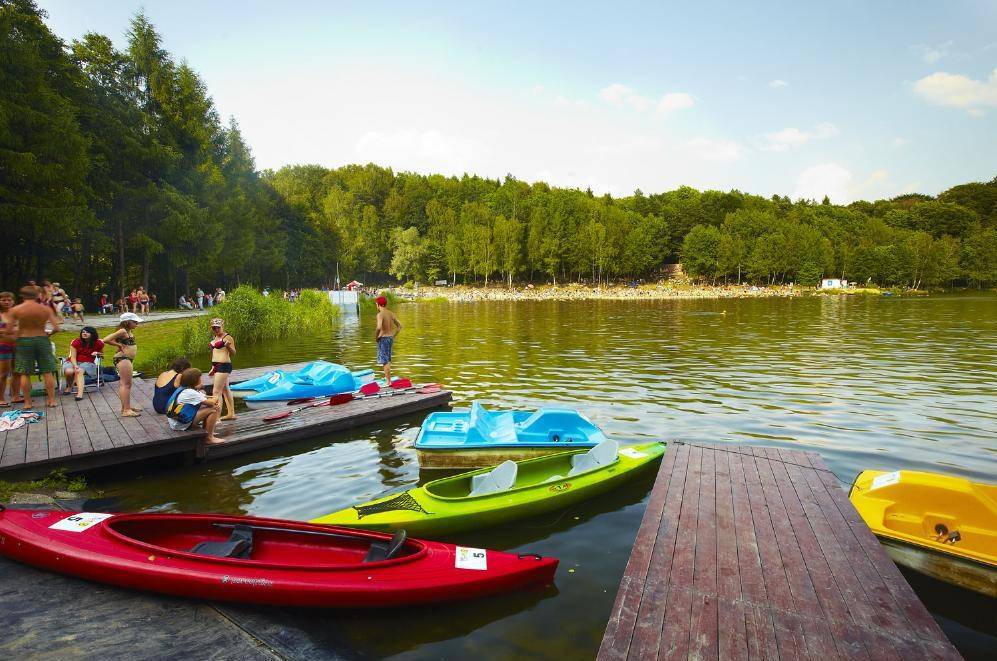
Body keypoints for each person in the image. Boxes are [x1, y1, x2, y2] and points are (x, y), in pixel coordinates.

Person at [10, 285, 60, 409]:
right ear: (37, 295)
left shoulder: (16, 309)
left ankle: (27, 403)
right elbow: (57, 328)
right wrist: (49, 334)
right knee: (47, 370)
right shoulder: (45, 309)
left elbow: (10, 329)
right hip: (42, 338)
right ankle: (52, 400)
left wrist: (17, 336)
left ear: (22, 296)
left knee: (24, 372)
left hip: (24, 340)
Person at [165, 368, 223, 444]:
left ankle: (207, 432)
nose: (201, 380)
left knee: (207, 406)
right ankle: (208, 438)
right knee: (214, 409)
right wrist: (217, 394)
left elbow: (205, 397)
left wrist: (212, 398)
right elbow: (211, 402)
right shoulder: (190, 392)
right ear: (195, 380)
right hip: (180, 424)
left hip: (176, 421)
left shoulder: (183, 389)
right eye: (200, 378)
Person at [102, 312, 142, 417]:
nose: (137, 323)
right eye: (134, 322)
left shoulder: (128, 331)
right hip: (122, 358)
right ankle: (126, 410)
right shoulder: (122, 330)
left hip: (126, 359)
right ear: (127, 322)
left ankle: (126, 406)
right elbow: (105, 340)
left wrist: (119, 344)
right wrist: (119, 345)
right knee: (126, 384)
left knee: (127, 384)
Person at [62, 326, 104, 401]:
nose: (84, 333)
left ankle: (79, 394)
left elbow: (102, 354)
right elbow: (73, 357)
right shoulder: (76, 342)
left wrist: (97, 353)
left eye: (87, 332)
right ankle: (69, 386)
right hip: (73, 361)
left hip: (87, 362)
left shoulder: (98, 343)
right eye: (83, 332)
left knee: (79, 371)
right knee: (68, 371)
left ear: (92, 334)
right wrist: (75, 365)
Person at [208, 318, 236, 420]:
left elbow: (233, 353)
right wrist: (212, 367)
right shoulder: (214, 337)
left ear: (222, 326)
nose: (216, 330)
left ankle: (216, 418)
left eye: (218, 328)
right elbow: (214, 353)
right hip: (217, 366)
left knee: (216, 392)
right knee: (225, 389)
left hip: (224, 366)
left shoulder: (228, 337)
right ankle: (231, 414)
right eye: (214, 328)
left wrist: (228, 346)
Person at [374, 295, 401, 384]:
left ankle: (388, 381)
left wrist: (376, 337)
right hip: (390, 338)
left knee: (385, 361)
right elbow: (399, 326)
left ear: (378, 304)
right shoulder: (391, 313)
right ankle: (388, 380)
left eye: (376, 304)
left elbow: (378, 327)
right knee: (388, 360)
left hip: (383, 338)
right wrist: (393, 336)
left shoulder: (380, 314)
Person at [0, 291, 15, 406]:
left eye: (9, 300)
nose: (6, 302)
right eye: (3, 300)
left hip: (18, 347)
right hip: (3, 347)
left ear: (13, 301)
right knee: (3, 374)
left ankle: (15, 396)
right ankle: (1, 399)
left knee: (17, 372)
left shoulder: (16, 313)